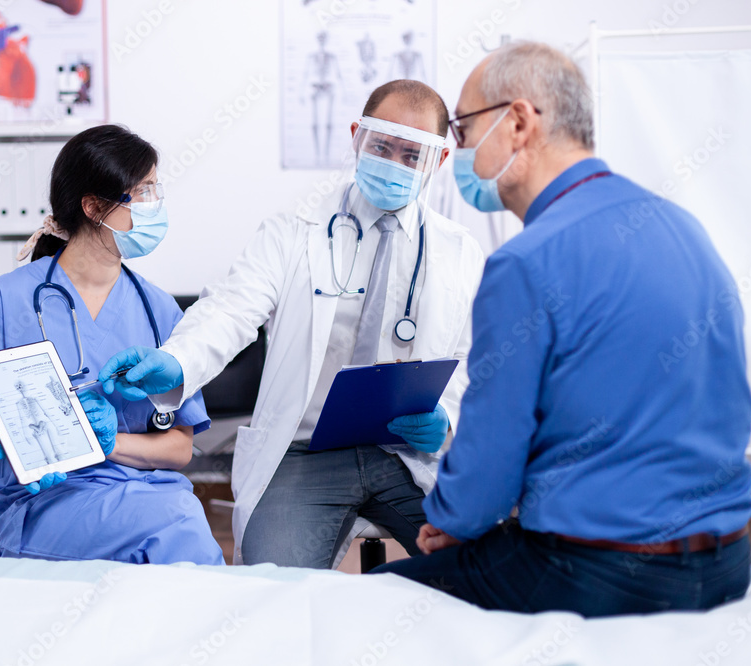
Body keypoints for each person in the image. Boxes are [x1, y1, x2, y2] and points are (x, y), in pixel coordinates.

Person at [370, 42, 751, 616]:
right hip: (726, 563)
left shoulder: (528, 262)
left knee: (375, 601)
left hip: (602, 573)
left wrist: (453, 519)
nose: (460, 150)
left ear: (520, 122)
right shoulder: (683, 227)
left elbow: (488, 463)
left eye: (464, 127)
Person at [102, 80, 486, 568]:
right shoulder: (293, 231)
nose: (394, 165)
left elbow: (476, 356)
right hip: (302, 452)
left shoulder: (459, 251)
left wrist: (447, 416)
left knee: (483, 567)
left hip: (409, 456)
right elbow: (230, 309)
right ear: (356, 136)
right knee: (271, 586)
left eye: (412, 155)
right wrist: (176, 361)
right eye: (383, 147)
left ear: (439, 161)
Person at [0, 125, 224, 565]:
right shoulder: (7, 300)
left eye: (156, 189)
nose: (153, 204)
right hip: (43, 498)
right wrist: (30, 431)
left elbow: (179, 447)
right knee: (178, 535)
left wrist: (106, 443)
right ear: (95, 207)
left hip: (150, 493)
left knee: (174, 526)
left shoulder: (158, 308)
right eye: (141, 192)